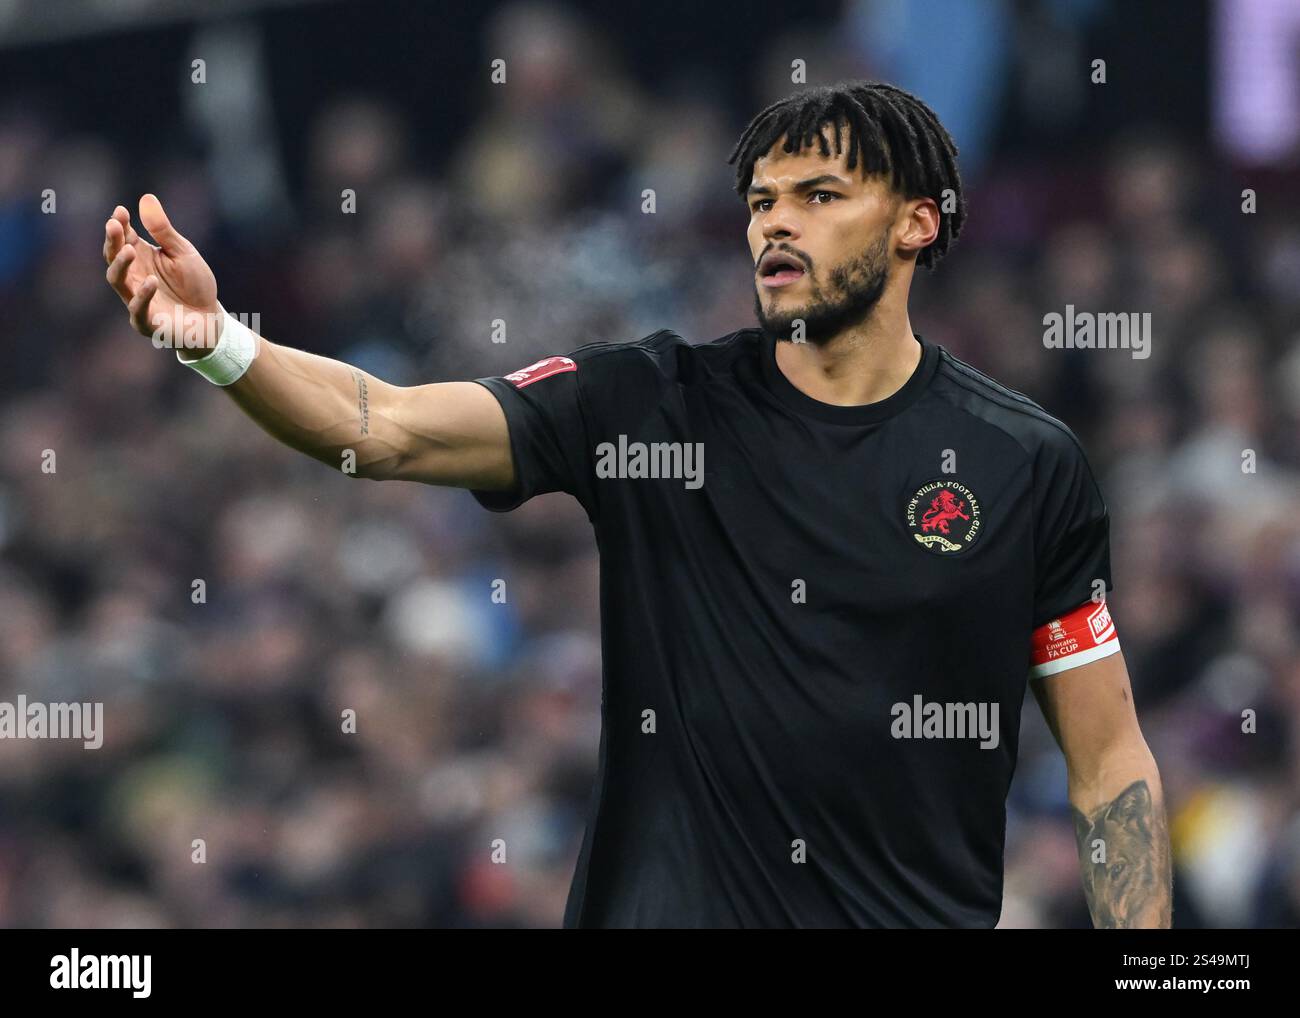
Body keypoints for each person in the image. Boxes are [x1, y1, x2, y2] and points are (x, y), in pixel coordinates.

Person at [102, 80, 1171, 929]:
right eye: (759, 201)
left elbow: (1109, 759)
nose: (774, 226)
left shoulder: (1023, 462)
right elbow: (382, 427)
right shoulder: (644, 401)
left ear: (915, 226)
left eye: (818, 195)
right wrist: (220, 344)